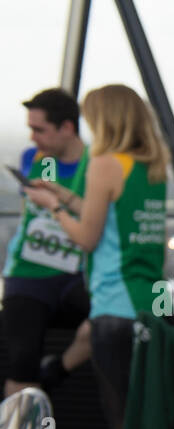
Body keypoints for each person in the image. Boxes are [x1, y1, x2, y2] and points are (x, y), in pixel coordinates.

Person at [23, 84, 170, 429]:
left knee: (120, 418)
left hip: (112, 310)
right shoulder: (151, 167)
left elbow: (87, 239)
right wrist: (64, 197)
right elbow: (109, 222)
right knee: (143, 415)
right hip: (148, 304)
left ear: (105, 120)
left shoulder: (104, 164)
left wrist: (51, 205)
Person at [2, 88, 92, 398]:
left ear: (66, 128)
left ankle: (57, 369)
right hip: (29, 273)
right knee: (21, 359)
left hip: (77, 273)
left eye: (39, 129)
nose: (32, 138)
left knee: (111, 324)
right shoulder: (33, 159)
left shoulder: (96, 166)